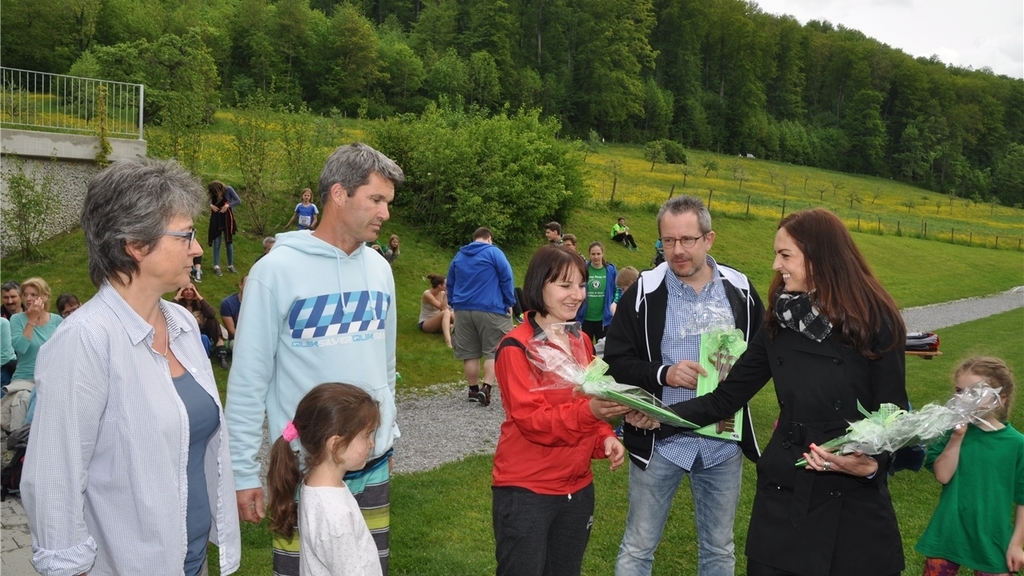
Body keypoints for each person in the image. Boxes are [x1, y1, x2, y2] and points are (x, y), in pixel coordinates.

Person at [650, 207, 908, 576]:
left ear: (821, 258)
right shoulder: (779, 321)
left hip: (851, 508)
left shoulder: (876, 320)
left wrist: (872, 464)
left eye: (785, 255)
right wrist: (658, 415)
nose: (775, 264)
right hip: (786, 497)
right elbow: (726, 398)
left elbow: (893, 412)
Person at [20, 158, 240, 576]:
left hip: (191, 563)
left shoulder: (182, 327)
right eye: (186, 235)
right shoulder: (85, 341)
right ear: (135, 245)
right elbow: (53, 481)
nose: (196, 247)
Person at [226, 143, 404, 576]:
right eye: (376, 200)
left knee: (366, 567)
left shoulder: (380, 269)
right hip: (304, 467)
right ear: (339, 194)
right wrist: (242, 472)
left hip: (370, 460)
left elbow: (385, 364)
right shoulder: (276, 271)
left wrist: (388, 433)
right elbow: (250, 379)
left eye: (387, 202)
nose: (384, 213)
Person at [604, 195, 765, 576]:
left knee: (719, 550)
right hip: (659, 442)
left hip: (722, 442)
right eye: (668, 241)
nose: (677, 251)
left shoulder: (739, 290)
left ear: (709, 239)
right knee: (638, 547)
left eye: (687, 240)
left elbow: (763, 357)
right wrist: (664, 374)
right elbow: (616, 362)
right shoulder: (643, 291)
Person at [492, 244, 629, 575]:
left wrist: (604, 436)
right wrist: (593, 414)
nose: (577, 295)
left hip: (578, 487)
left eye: (581, 285)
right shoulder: (516, 347)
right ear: (540, 286)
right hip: (528, 491)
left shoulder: (579, 340)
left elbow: (584, 400)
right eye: (565, 285)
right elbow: (534, 422)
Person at [915, 356, 1024, 576]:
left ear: (999, 399)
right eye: (959, 391)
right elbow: (943, 476)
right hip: (948, 533)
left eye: (974, 393)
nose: (963, 400)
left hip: (993, 538)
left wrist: (1016, 544)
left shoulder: (1017, 444)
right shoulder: (950, 433)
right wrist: (956, 437)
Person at [268, 383, 384, 576]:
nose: (372, 443)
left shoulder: (315, 485)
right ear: (336, 444)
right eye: (366, 435)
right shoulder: (335, 514)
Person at [447, 227, 516, 407]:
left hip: (463, 309)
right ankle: (486, 389)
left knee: (470, 353)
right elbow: (506, 278)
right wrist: (509, 301)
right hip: (490, 308)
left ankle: (472, 389)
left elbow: (451, 281)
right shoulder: (494, 253)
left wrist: (454, 303)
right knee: (493, 351)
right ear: (489, 238)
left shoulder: (459, 255)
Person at [4, 278, 62, 432]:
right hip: (25, 377)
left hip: (50, 377)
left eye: (34, 295)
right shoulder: (17, 319)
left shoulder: (57, 321)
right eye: (25, 294)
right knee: (22, 400)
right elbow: (20, 348)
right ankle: (21, 445)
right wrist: (31, 320)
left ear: (45, 297)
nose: (28, 299)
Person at [173, 282, 230, 369]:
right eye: (185, 290)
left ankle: (221, 355)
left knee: (212, 320)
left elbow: (211, 314)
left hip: (200, 334)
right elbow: (168, 313)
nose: (189, 292)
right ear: (181, 291)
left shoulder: (199, 304)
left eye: (192, 290)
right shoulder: (178, 305)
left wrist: (199, 297)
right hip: (183, 335)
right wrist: (177, 297)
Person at [576, 241, 617, 344]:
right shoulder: (583, 269)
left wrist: (614, 303)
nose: (596, 257)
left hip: (604, 319)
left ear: (603, 253)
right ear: (589, 254)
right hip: (585, 318)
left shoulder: (610, 270)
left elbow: (618, 289)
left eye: (598, 254)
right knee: (585, 349)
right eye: (593, 254)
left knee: (604, 350)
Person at [208, 180, 241, 276]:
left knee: (228, 242)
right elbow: (208, 199)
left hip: (227, 218)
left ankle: (230, 265)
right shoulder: (212, 192)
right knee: (217, 242)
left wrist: (228, 205)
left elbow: (238, 201)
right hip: (216, 218)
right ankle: (216, 266)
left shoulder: (228, 189)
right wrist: (211, 205)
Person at [419, 274, 454, 348]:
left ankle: (469, 335)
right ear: (440, 286)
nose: (447, 286)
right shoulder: (427, 294)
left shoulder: (442, 293)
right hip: (426, 323)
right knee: (446, 312)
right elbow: (442, 307)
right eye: (445, 284)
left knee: (454, 313)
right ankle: (448, 341)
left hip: (439, 322)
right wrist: (446, 294)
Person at [221, 275, 247, 342]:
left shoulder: (259, 303)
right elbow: (231, 330)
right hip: (236, 339)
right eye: (246, 284)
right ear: (240, 285)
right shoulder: (227, 303)